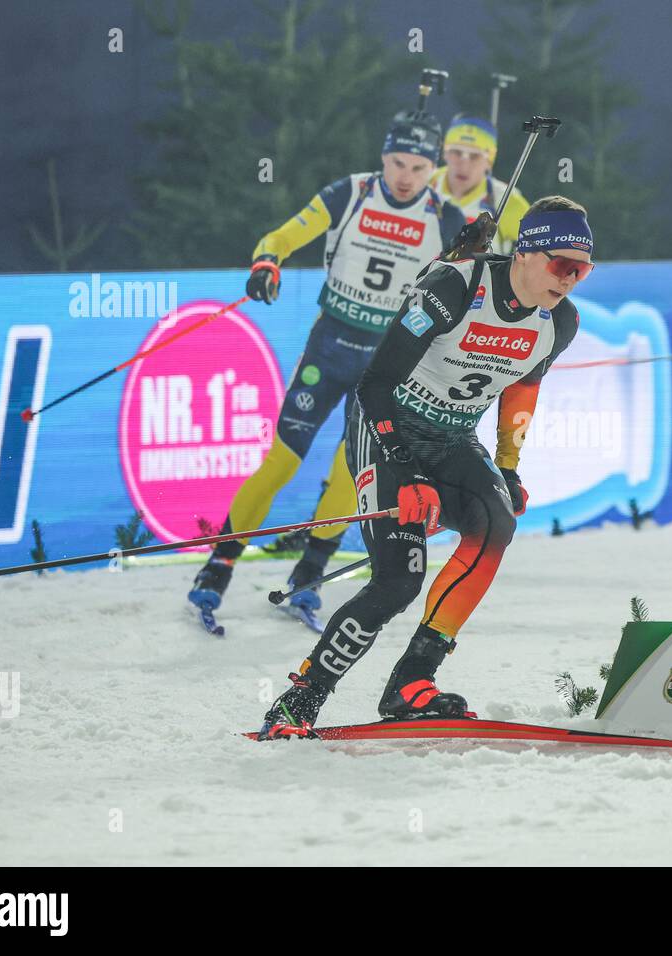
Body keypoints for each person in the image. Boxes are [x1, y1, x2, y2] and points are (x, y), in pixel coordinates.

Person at [258, 196, 595, 737]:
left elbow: (523, 389)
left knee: (496, 526)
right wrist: (406, 471)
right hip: (384, 427)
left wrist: (508, 469)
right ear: (529, 253)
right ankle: (300, 700)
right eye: (563, 265)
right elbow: (375, 386)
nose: (572, 279)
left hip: (452, 437)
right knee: (398, 581)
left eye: (583, 269)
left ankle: (412, 680)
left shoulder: (562, 322)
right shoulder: (456, 288)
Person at [188, 110, 467, 629]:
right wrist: (266, 263)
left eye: (417, 166)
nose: (405, 175)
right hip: (330, 349)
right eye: (397, 162)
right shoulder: (351, 193)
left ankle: (308, 576)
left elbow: (479, 283)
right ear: (383, 157)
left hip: (387, 366)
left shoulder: (446, 219)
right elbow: (280, 236)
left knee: (349, 472)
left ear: (433, 169)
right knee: (280, 462)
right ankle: (216, 568)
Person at [430, 114, 530, 255]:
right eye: (456, 152)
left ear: (489, 161)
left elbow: (540, 252)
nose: (464, 164)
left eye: (475, 156)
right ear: (444, 153)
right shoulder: (423, 183)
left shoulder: (507, 201)